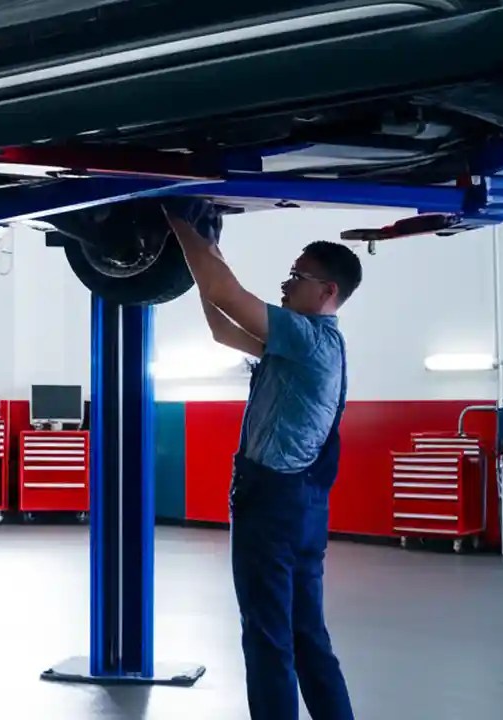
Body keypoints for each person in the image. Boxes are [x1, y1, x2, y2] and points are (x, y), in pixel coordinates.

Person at [163, 200, 361, 720]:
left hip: (272, 505)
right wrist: (205, 246)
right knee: (305, 634)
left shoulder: (308, 337)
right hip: (302, 508)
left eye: (297, 276)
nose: (285, 284)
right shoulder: (307, 346)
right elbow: (220, 322)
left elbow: (225, 294)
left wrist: (177, 219)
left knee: (269, 637)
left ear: (327, 292)